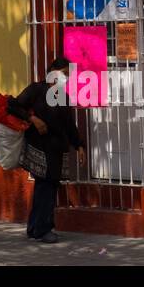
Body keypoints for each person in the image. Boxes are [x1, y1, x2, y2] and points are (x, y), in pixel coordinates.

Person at [8, 57, 86, 243]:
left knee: (46, 187)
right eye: (64, 73)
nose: (66, 78)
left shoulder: (63, 96)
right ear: (53, 70)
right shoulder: (36, 90)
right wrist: (33, 119)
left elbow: (69, 125)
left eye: (68, 75)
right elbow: (12, 105)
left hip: (57, 149)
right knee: (47, 187)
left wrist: (79, 145)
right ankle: (43, 229)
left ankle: (35, 228)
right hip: (40, 147)